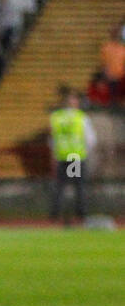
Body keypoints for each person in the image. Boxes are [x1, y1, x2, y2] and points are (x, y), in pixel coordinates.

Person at [49, 88, 96, 224]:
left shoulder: (56, 117)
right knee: (77, 186)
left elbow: (52, 139)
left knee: (61, 186)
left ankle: (56, 214)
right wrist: (85, 152)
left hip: (61, 156)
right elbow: (91, 139)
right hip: (75, 156)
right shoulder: (80, 117)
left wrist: (54, 155)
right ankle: (80, 214)